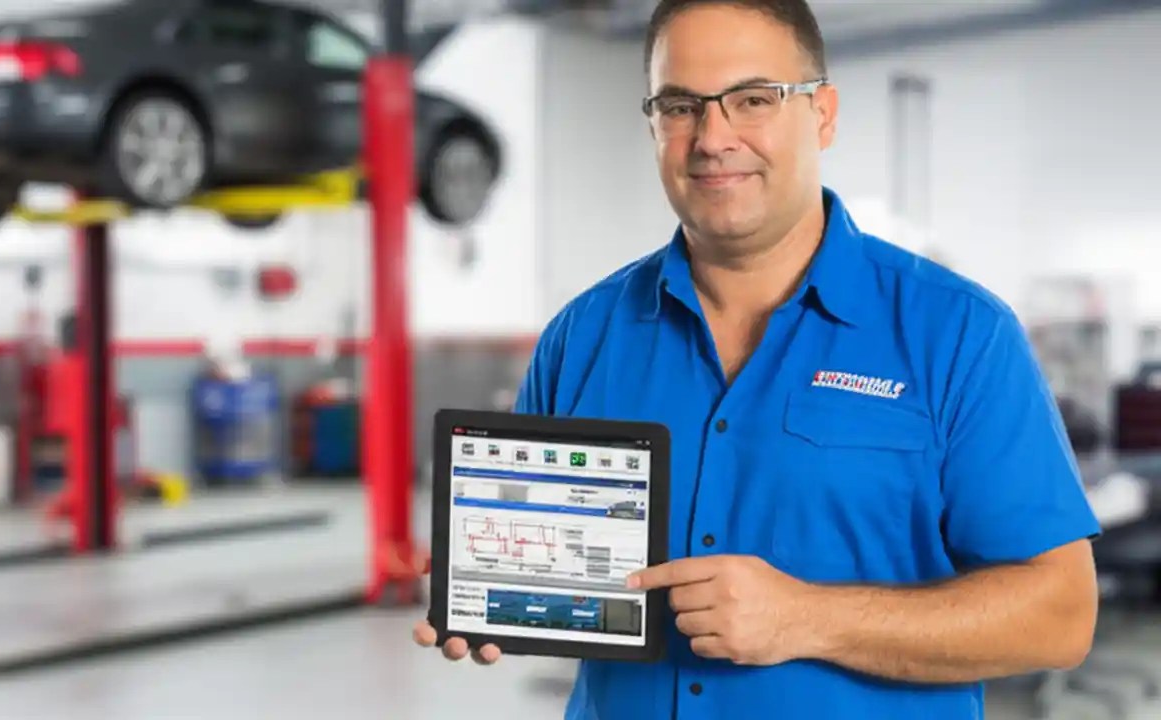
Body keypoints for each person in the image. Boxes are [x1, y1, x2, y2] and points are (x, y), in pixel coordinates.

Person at [414, 0, 1101, 716]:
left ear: (824, 114)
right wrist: (495, 595)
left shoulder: (959, 333)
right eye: (680, 105)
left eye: (753, 100)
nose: (713, 138)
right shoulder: (582, 336)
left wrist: (806, 618)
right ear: (653, 123)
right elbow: (557, 568)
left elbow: (1059, 615)